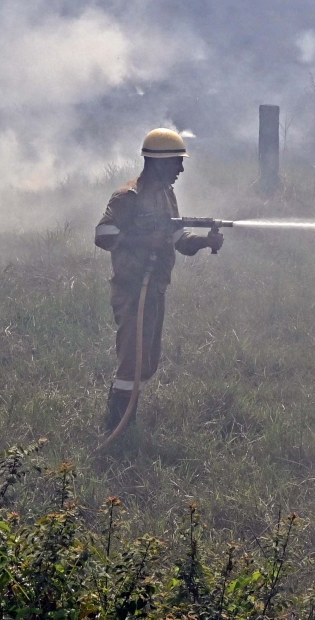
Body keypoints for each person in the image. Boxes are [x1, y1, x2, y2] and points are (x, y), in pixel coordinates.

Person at [94, 127, 224, 435]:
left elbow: (178, 237)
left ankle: (127, 422)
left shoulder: (166, 195)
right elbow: (103, 234)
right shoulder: (128, 197)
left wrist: (204, 242)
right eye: (177, 162)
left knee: (146, 361)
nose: (181, 169)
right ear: (159, 163)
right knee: (132, 361)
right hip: (132, 290)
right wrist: (143, 240)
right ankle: (117, 427)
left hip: (154, 289)